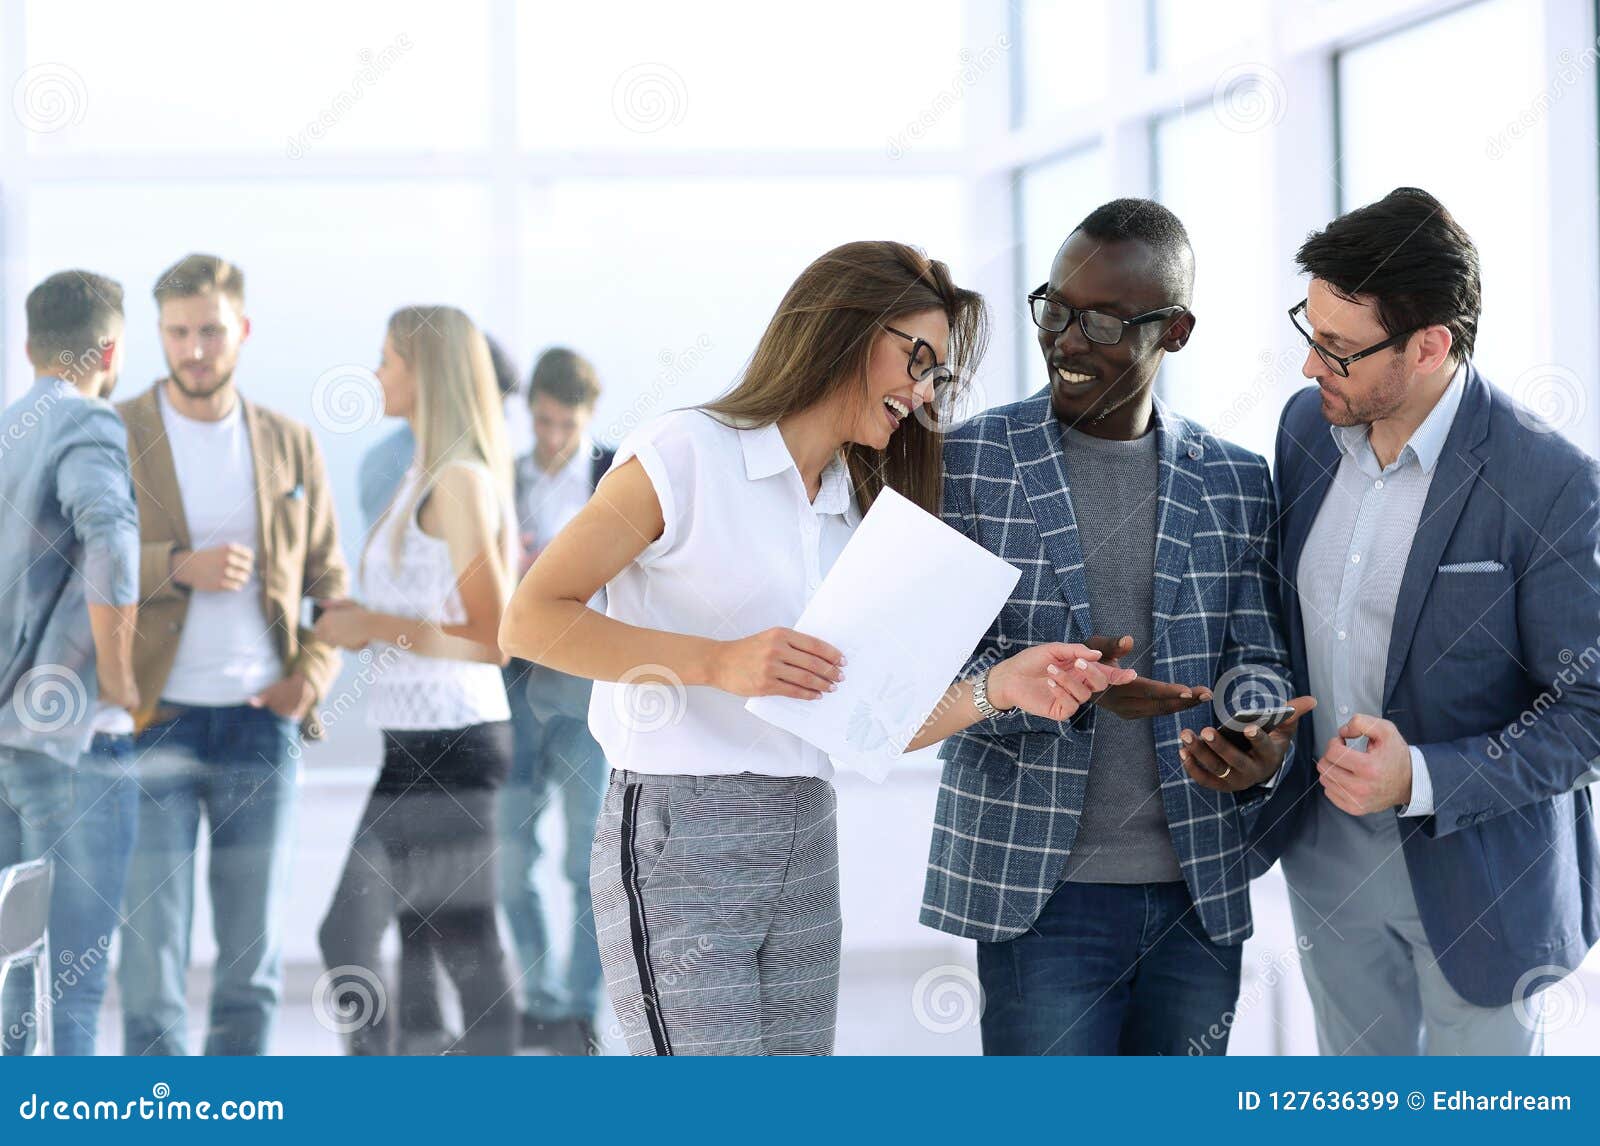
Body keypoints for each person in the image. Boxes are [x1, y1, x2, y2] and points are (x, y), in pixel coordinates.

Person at [500, 240, 1130, 1056]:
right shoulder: (683, 454)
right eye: (917, 359)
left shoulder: (852, 512)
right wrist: (716, 662)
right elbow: (533, 616)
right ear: (845, 328)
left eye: (938, 375)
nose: (924, 390)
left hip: (805, 833)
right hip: (680, 829)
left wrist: (1001, 688)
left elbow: (868, 719)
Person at [920, 199, 1313, 1056]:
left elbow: (1255, 657)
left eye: (1099, 320)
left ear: (1174, 331)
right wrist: (1050, 681)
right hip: (1040, 892)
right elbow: (921, 676)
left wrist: (1258, 734)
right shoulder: (967, 465)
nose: (1064, 338)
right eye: (1054, 309)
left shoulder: (1236, 480)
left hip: (1196, 892)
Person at [1250, 187, 1600, 1055]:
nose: (1308, 369)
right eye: (1309, 332)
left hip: (1484, 883)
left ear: (1429, 345)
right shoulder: (1304, 430)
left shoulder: (1547, 480)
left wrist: (1424, 777)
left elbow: (1590, 708)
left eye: (1336, 348)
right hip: (1324, 863)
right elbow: (1273, 624)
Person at [116, 254, 348, 1056]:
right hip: (154, 722)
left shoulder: (289, 443)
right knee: (152, 967)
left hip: (260, 727)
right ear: (160, 334)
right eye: (178, 332)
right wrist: (176, 566)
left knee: (251, 971)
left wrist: (309, 678)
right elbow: (75, 561)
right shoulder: (118, 434)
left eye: (211, 331)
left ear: (241, 331)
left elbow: (332, 588)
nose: (195, 349)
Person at [314, 305, 518, 1056]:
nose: (376, 374)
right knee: (412, 935)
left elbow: (496, 638)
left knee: (450, 941)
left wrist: (372, 626)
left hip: (455, 742)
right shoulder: (417, 475)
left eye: (388, 360)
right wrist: (360, 618)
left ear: (425, 373)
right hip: (415, 745)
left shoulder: (458, 482)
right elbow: (420, 606)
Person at [0, 270, 141, 1056]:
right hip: (70, 743)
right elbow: (113, 542)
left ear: (28, 346)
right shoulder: (87, 419)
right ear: (110, 349)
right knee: (73, 985)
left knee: (15, 974)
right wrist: (119, 678)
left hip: (8, 743)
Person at [502, 348, 614, 1055]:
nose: (551, 437)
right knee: (508, 857)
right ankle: (540, 998)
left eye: (564, 424)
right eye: (542, 422)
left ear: (587, 416)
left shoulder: (613, 480)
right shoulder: (501, 481)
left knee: (585, 867)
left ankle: (577, 1011)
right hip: (513, 689)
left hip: (590, 691)